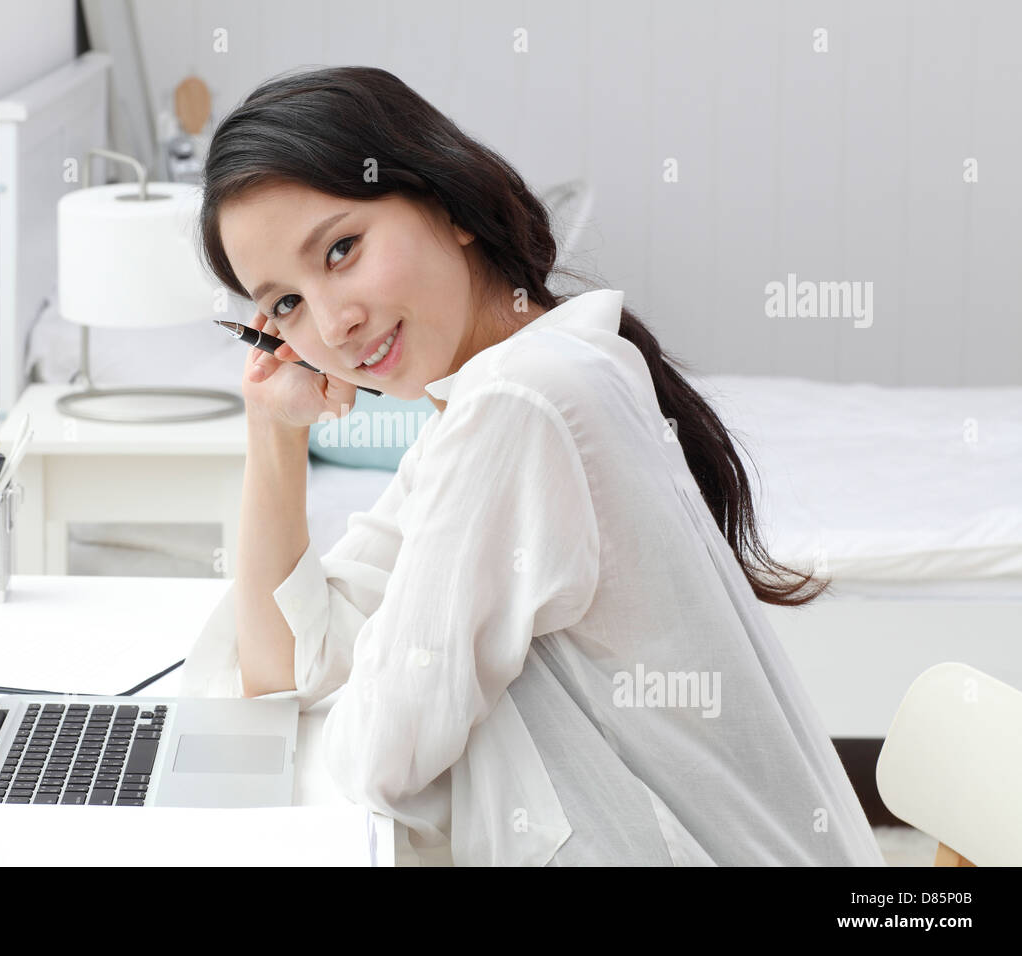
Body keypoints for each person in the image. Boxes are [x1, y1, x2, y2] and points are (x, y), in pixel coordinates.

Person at [178, 65, 886, 867]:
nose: (333, 326)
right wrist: (274, 430)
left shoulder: (521, 403)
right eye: (284, 306)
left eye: (342, 249)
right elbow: (283, 671)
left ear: (447, 206)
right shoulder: (494, 393)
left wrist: (373, 670)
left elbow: (378, 756)